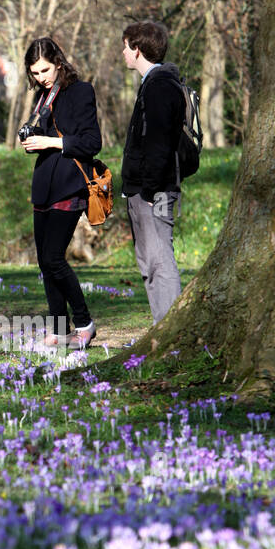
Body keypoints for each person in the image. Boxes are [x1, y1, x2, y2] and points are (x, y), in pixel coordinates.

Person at [21, 37, 102, 350]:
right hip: (44, 184)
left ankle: (84, 322)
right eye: (35, 73)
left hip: (69, 184)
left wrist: (52, 143)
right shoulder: (42, 98)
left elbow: (91, 142)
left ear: (58, 62)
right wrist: (32, 140)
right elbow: (45, 138)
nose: (42, 77)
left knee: (55, 257)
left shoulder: (81, 91)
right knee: (44, 261)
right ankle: (58, 329)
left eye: (45, 69)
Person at [120, 20, 186, 326]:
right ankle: (162, 328)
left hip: (154, 193)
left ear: (137, 49)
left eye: (125, 46)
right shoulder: (153, 83)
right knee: (149, 262)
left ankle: (170, 328)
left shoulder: (159, 87)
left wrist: (148, 191)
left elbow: (158, 144)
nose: (123, 52)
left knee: (159, 261)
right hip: (145, 191)